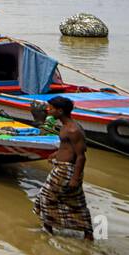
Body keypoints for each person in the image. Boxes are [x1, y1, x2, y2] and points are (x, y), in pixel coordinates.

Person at [34, 96, 93, 240]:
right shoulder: (65, 126)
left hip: (66, 170)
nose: (48, 110)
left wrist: (75, 178)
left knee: (46, 198)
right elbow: (66, 147)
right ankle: (87, 234)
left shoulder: (73, 130)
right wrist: (55, 154)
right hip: (61, 166)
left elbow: (81, 156)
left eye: (51, 108)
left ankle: (48, 230)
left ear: (60, 111)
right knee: (75, 201)